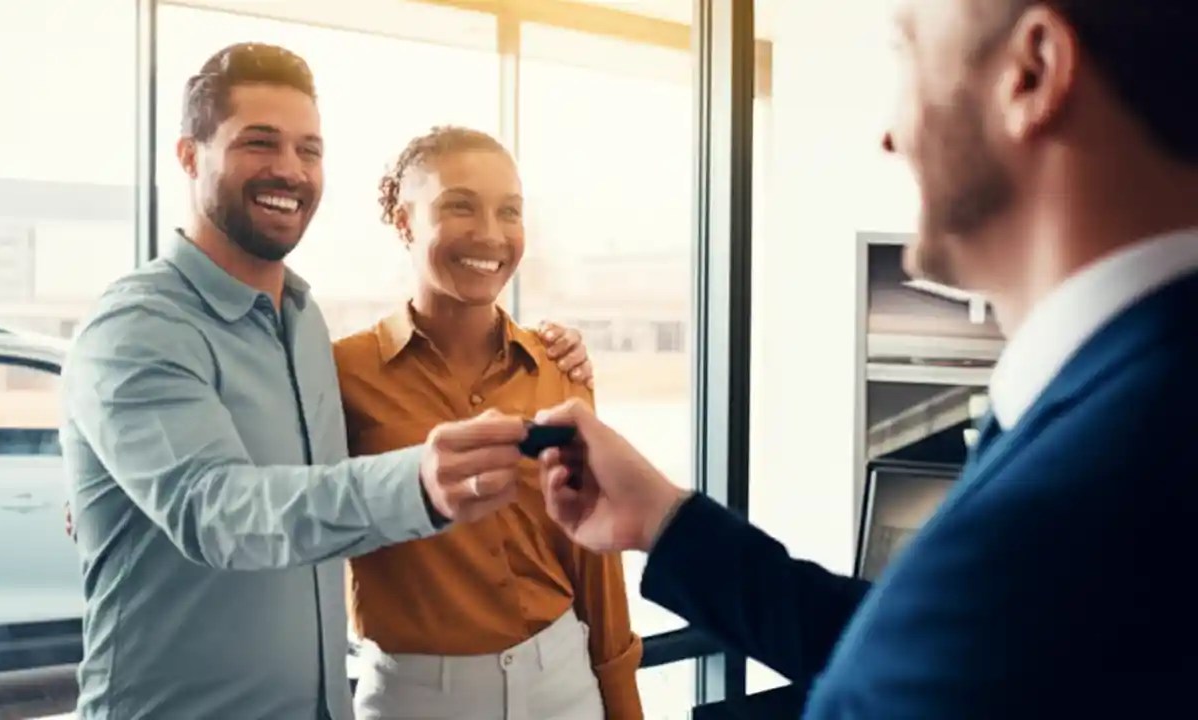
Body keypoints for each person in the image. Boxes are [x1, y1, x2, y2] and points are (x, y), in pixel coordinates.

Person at [534, 0, 1198, 717]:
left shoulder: (1091, 489)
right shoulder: (1132, 411)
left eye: (910, 55)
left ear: (1031, 73)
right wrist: (664, 521)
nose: (890, 136)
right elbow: (946, 653)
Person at [60, 44, 591, 720]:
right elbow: (216, 510)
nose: (289, 169)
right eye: (259, 142)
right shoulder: (137, 324)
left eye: (308, 150)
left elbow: (311, 503)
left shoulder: (305, 325)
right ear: (189, 156)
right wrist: (418, 483)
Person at [332, 126, 642, 720]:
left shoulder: (559, 368)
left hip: (562, 686)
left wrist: (624, 705)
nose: (492, 234)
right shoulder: (342, 374)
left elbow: (594, 559)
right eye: (460, 206)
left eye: (510, 211)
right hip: (413, 699)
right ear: (404, 221)